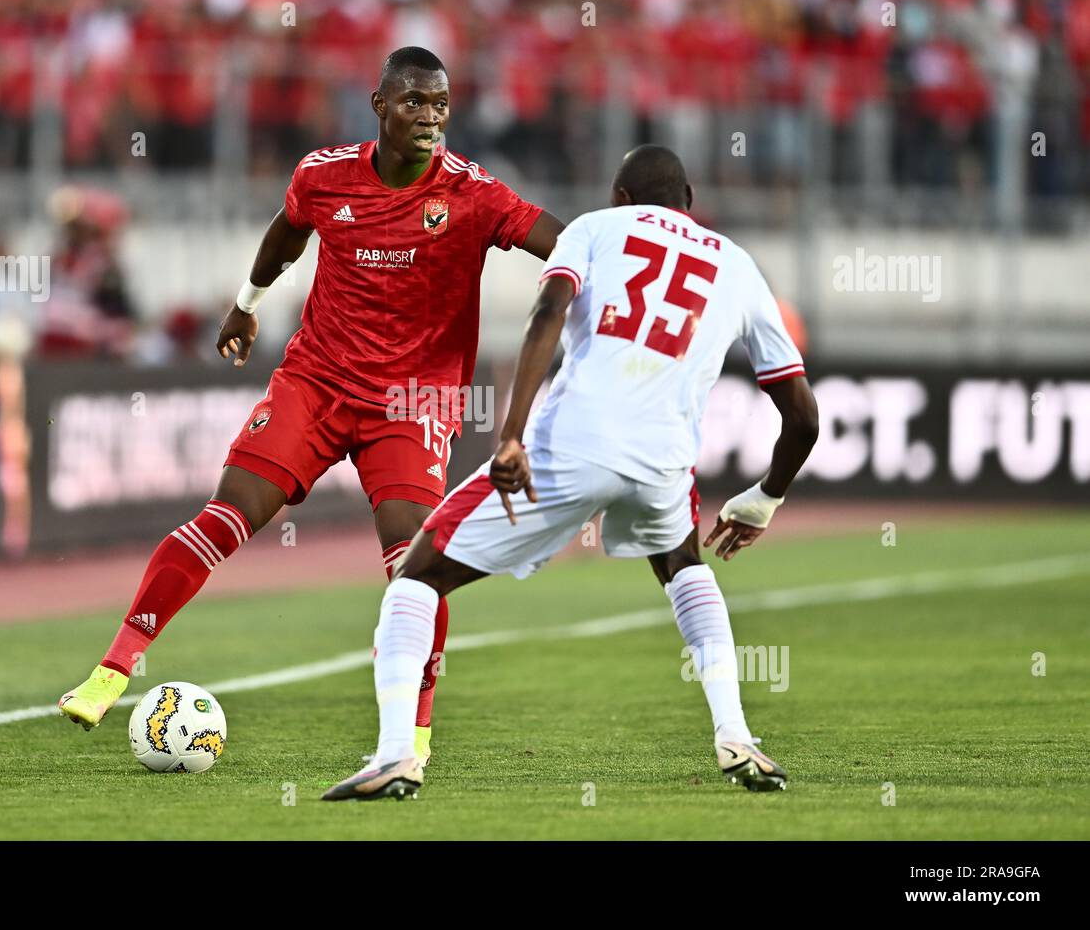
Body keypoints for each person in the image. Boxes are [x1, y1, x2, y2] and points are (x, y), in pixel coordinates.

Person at [58, 47, 565, 768]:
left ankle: (413, 736)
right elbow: (287, 233)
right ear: (378, 106)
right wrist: (245, 306)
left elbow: (562, 243)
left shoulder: (473, 194)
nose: (429, 116)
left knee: (414, 563)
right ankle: (112, 670)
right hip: (317, 381)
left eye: (440, 103)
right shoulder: (324, 175)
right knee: (223, 516)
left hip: (411, 401)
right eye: (414, 101)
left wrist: (624, 263)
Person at [323, 145, 820, 801]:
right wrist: (764, 498)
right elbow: (803, 416)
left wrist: (509, 437)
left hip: (574, 445)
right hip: (663, 462)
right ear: (689, 202)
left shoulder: (593, 228)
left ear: (619, 195)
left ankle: (395, 756)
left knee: (417, 577)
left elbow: (547, 314)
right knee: (682, 564)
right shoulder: (738, 265)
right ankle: (736, 732)